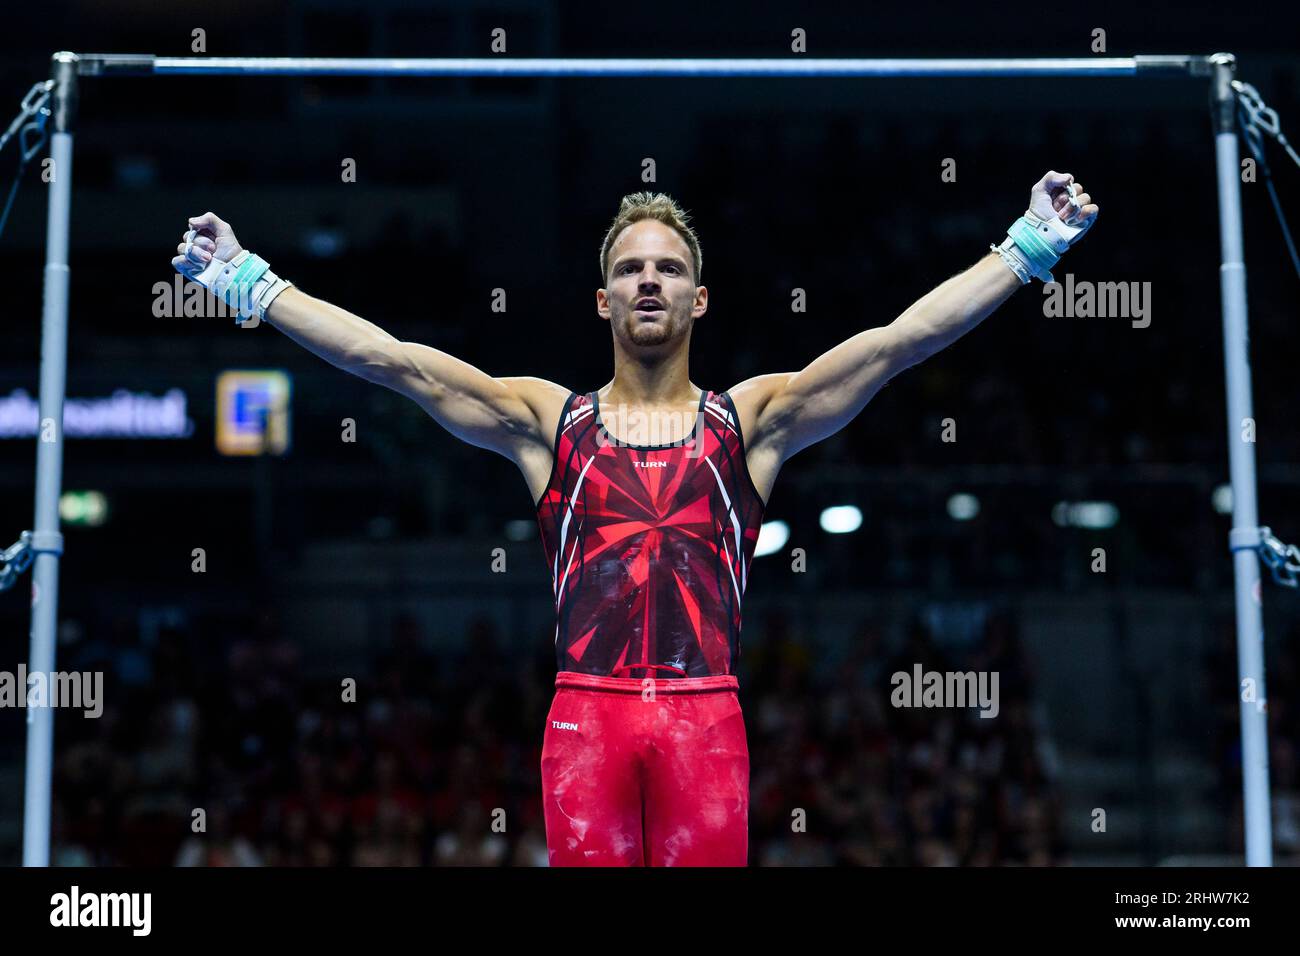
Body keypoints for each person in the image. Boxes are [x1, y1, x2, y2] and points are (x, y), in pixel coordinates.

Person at [171, 175, 1098, 865]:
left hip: (705, 722)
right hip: (588, 720)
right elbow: (394, 362)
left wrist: (1026, 249)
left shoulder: (753, 423)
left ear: (700, 298)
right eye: (629, 268)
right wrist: (251, 281)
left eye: (669, 268)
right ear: (602, 299)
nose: (648, 281)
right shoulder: (546, 424)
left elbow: (901, 343)